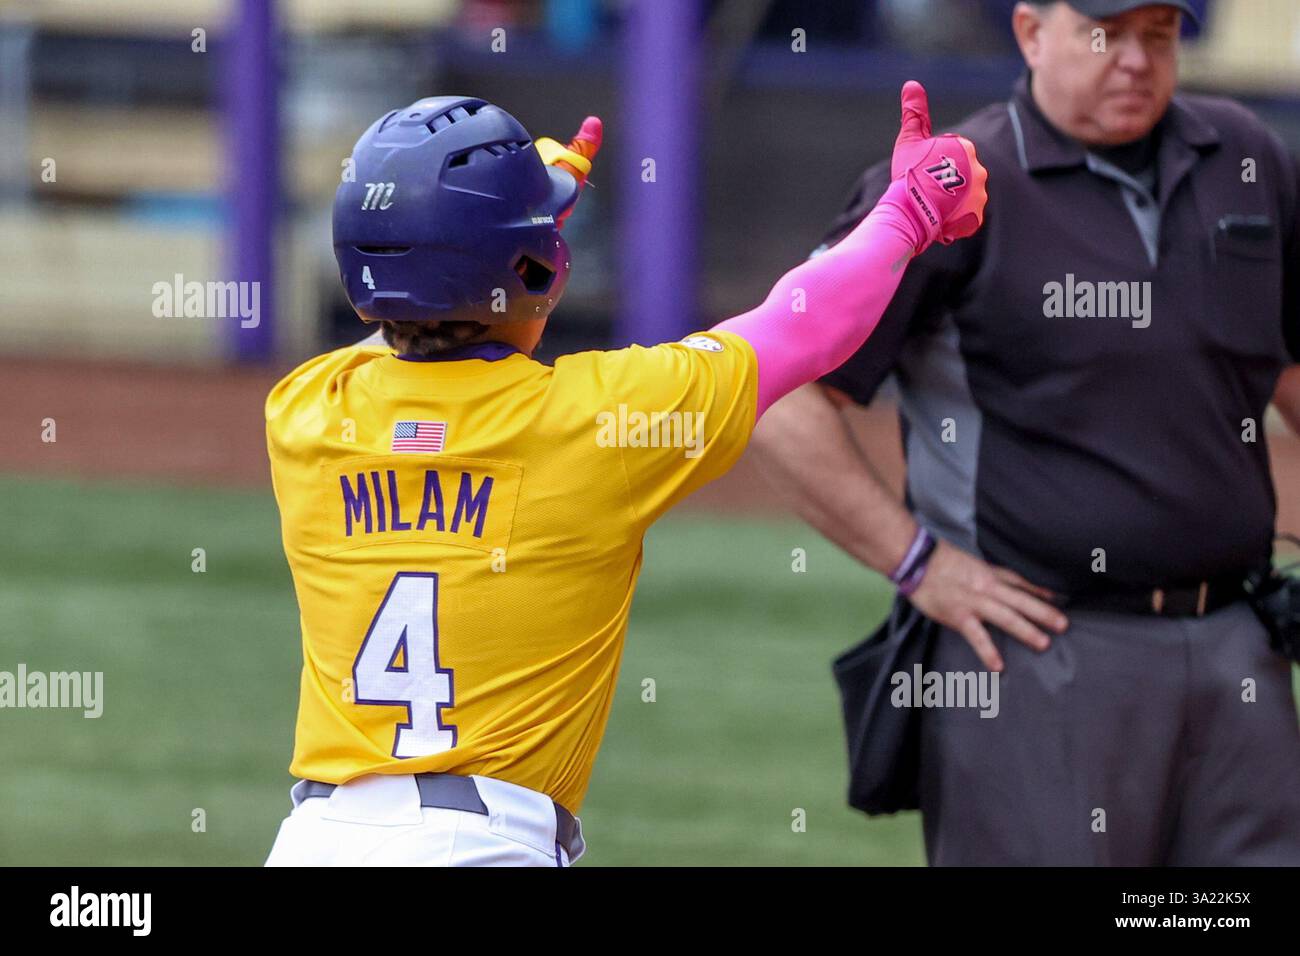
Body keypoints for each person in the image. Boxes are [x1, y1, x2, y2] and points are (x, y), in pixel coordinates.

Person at [262, 83, 987, 866]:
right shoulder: (600, 421)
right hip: (481, 849)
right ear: (535, 264)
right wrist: (911, 208)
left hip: (315, 843)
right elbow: (806, 324)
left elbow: (411, 314)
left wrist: (492, 224)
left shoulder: (302, 413)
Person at [753, 0, 1300, 865]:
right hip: (1037, 654)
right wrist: (917, 563)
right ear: (1029, 33)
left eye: (1158, 35)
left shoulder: (1246, 156)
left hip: (1242, 647)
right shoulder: (955, 182)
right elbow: (781, 393)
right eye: (1104, 33)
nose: (1134, 59)